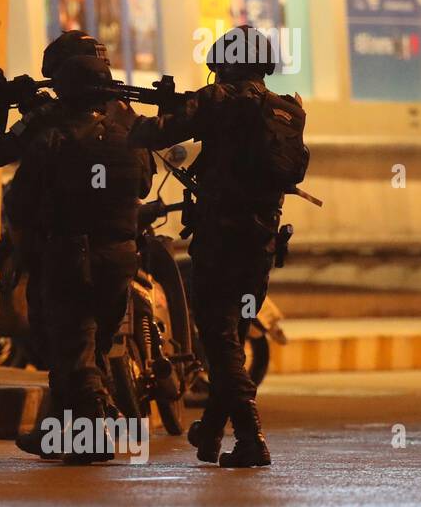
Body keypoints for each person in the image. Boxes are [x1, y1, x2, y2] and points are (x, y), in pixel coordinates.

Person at [129, 26, 307, 467]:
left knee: (218, 337)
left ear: (224, 65)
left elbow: (154, 133)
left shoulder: (218, 101)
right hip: (262, 242)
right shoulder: (288, 111)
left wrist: (114, 115)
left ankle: (250, 438)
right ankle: (209, 434)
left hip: (222, 240)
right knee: (232, 337)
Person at [14, 53, 154, 463]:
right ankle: (62, 434)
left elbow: (20, 201)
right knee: (89, 347)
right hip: (120, 258)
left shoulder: (52, 139)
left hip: (71, 256)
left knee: (75, 349)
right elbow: (142, 184)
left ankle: (93, 438)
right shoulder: (128, 137)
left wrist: (28, 253)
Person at [0, 31, 111, 374]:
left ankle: (80, 415)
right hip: (115, 245)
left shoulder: (50, 120)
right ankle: (90, 412)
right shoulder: (119, 118)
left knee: (55, 338)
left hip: (59, 245)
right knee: (91, 339)